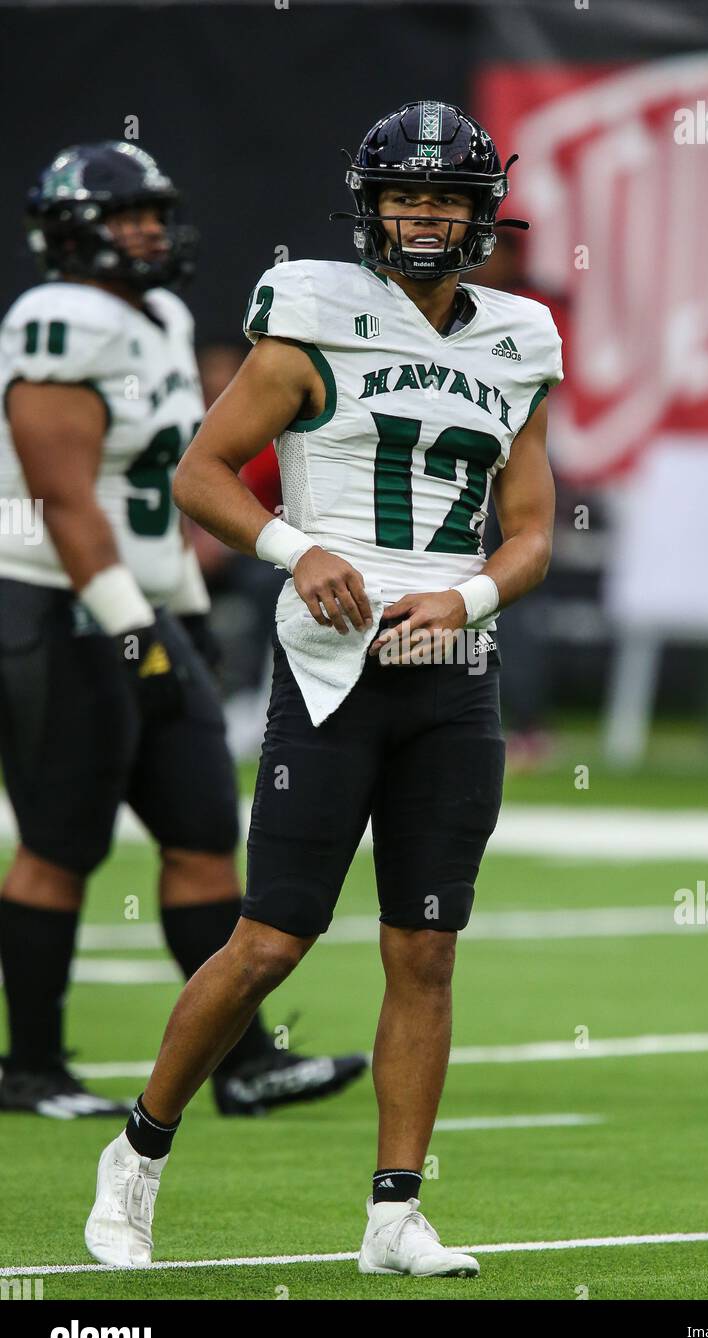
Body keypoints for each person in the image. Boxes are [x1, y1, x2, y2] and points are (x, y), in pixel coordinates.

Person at [85, 100, 563, 1276]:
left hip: (450, 670)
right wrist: (296, 548)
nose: (420, 215)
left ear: (475, 213)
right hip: (330, 666)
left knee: (427, 948)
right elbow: (203, 473)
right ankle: (137, 1155)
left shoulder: (519, 338)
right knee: (269, 940)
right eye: (404, 195)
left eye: (443, 197)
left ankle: (394, 1212)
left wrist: (467, 599)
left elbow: (534, 528)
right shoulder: (310, 312)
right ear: (369, 205)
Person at [0, 141, 366, 1118]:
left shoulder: (158, 313)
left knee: (205, 834)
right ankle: (30, 1064)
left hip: (145, 608)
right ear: (74, 229)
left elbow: (160, 495)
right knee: (59, 843)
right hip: (58, 607)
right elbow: (66, 502)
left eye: (157, 213)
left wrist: (185, 622)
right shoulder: (53, 319)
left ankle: (239, 1064)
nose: (152, 232)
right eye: (130, 217)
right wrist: (135, 630)